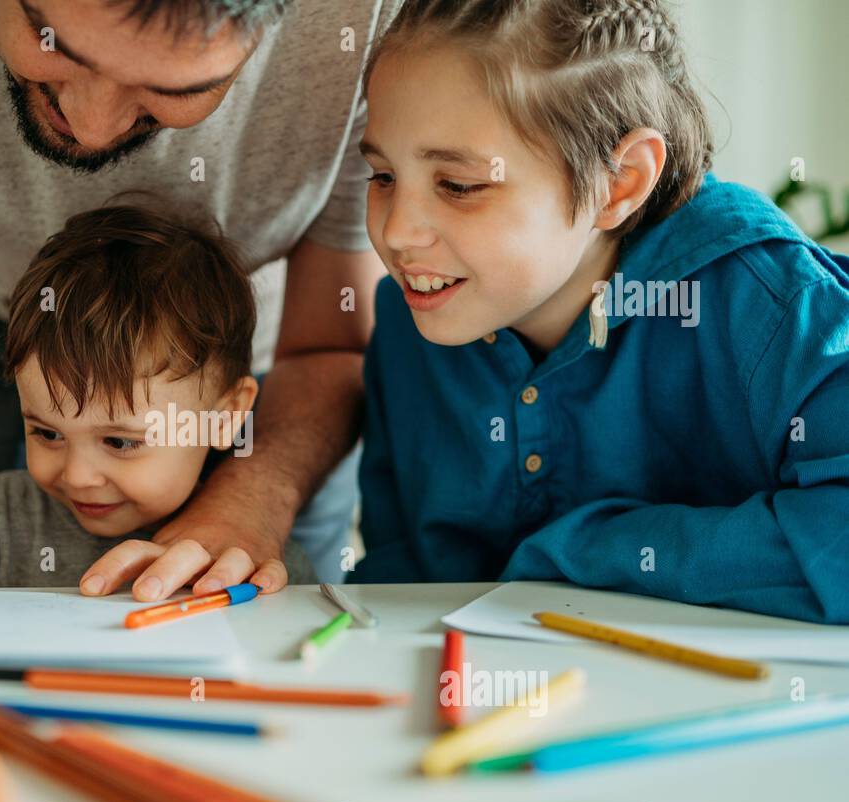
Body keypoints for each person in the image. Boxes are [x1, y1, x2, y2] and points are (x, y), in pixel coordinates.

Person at [0, 0, 399, 598]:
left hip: (283, 382)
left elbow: (329, 345)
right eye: (54, 45)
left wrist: (254, 497)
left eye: (173, 89)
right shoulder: (3, 520)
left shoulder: (366, 20)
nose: (92, 131)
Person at [351, 0, 849, 623]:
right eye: (382, 176)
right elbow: (399, 587)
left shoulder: (776, 306)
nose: (396, 233)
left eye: (458, 186)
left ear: (620, 182)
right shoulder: (413, 313)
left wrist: (591, 555)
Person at [0, 204, 315, 588]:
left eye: (120, 442)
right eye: (46, 432)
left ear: (226, 416)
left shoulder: (250, 547)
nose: (78, 477)